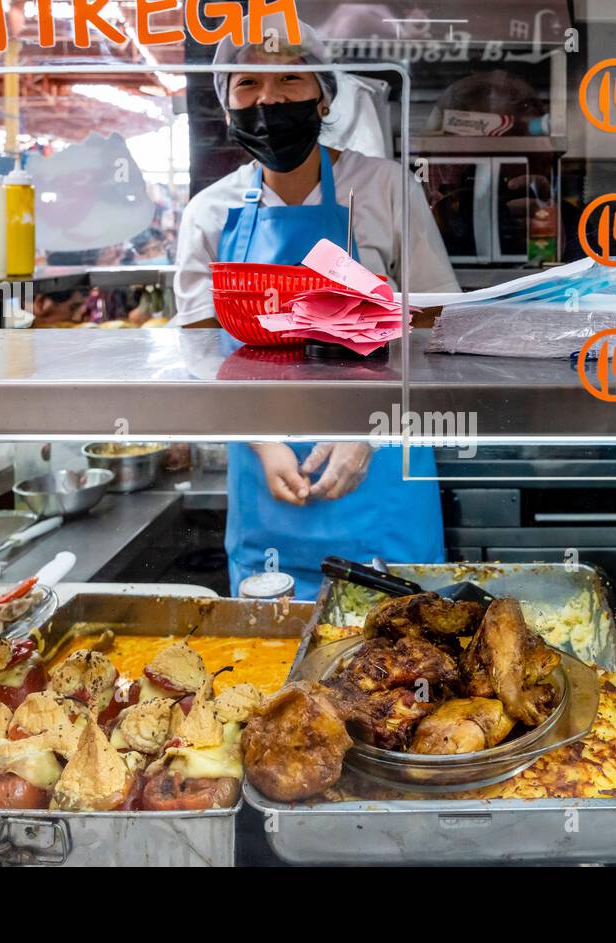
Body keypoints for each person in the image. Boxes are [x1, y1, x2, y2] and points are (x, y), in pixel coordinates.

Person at [173, 17, 461, 600]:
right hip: (269, 479)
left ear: (323, 97)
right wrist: (262, 439)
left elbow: (439, 327)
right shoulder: (209, 211)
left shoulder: (384, 188)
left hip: (383, 471)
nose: (269, 99)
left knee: (403, 651)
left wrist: (371, 433)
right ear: (227, 104)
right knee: (271, 664)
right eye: (247, 83)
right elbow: (199, 351)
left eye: (290, 80)